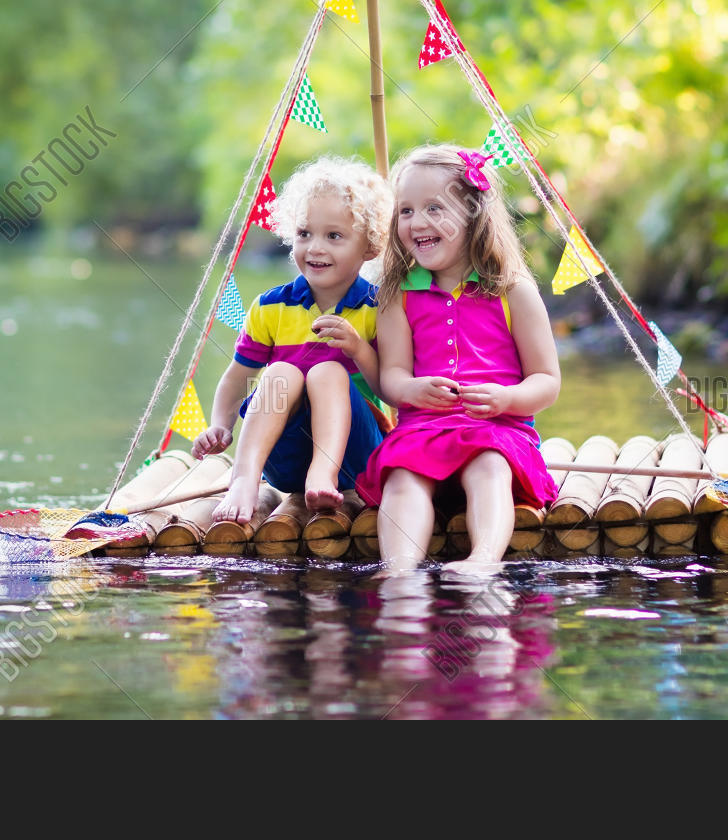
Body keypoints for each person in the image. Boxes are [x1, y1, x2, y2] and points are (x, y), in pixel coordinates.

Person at [356, 144, 561, 573]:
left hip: (497, 430)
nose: (417, 223)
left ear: (473, 213)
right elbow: (392, 374)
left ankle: (483, 560)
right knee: (401, 479)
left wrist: (506, 400)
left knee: (489, 466)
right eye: (406, 210)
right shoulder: (397, 296)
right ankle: (399, 569)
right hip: (423, 431)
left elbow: (546, 381)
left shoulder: (512, 290)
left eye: (435, 208)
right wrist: (411, 389)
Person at [196, 156, 394, 521]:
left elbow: (391, 390)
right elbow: (237, 378)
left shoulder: (380, 308)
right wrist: (220, 425)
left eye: (334, 236)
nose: (315, 247)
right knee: (280, 372)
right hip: (286, 461)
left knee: (327, 371)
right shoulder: (271, 307)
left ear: (370, 246)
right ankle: (244, 477)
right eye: (305, 234)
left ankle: (325, 471)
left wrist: (358, 349)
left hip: (355, 457)